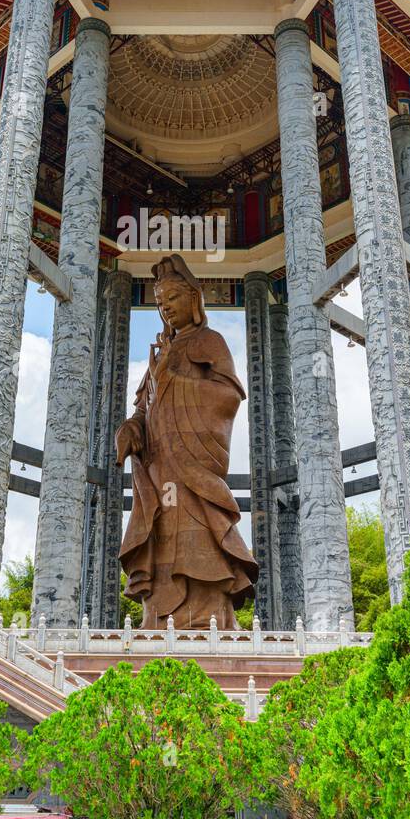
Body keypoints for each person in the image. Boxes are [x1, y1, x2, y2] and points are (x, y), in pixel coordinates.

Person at [117, 254, 258, 628]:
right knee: (162, 530)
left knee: (200, 533)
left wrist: (176, 382)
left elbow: (228, 394)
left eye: (173, 301)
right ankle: (159, 618)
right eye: (161, 304)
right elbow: (144, 404)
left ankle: (210, 616)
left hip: (195, 463)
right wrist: (133, 427)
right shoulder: (160, 353)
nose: (166, 311)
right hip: (161, 466)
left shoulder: (209, 342)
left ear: (193, 299)